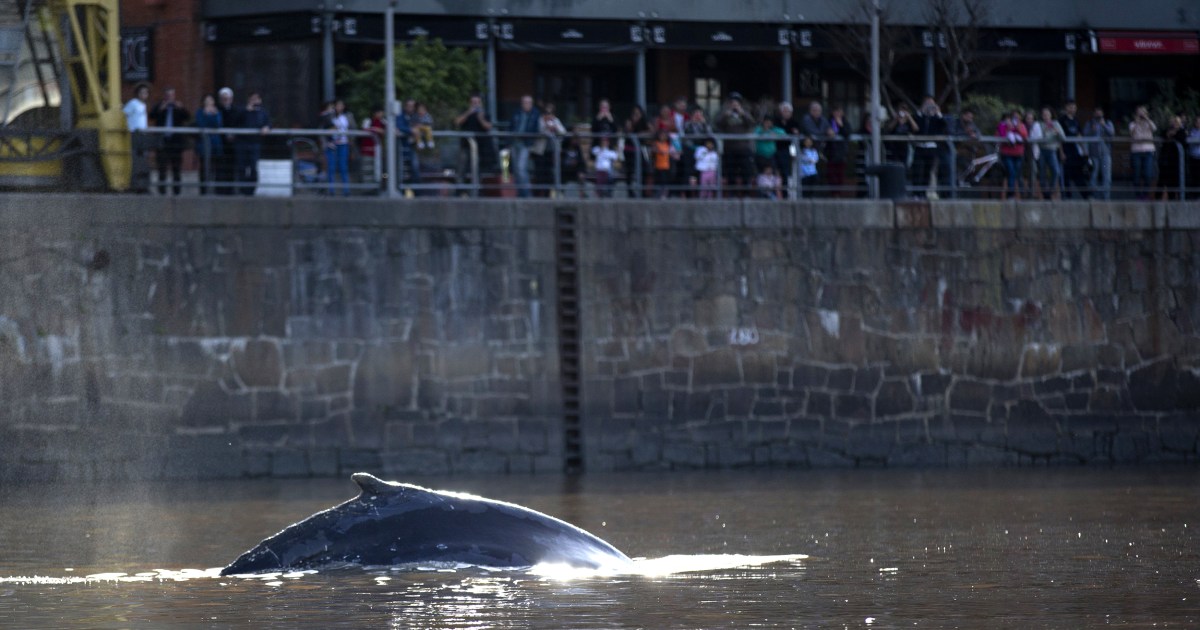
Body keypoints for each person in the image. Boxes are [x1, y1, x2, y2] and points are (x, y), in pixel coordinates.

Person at [149, 87, 191, 195]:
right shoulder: (160, 106)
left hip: (176, 142)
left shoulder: (178, 107)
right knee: (162, 168)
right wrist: (161, 108)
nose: (169, 98)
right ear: (164, 96)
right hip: (163, 142)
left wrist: (181, 108)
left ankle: (177, 191)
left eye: (171, 95)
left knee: (176, 168)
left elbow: (188, 117)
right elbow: (151, 116)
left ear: (174, 96)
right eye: (167, 95)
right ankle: (162, 190)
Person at [715, 92, 756, 195]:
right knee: (730, 171)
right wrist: (725, 116)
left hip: (743, 147)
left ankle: (746, 192)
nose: (734, 104)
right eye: (732, 102)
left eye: (736, 102)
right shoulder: (724, 112)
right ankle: (731, 192)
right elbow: (718, 124)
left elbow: (751, 123)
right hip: (729, 148)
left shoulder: (745, 112)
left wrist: (742, 114)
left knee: (746, 170)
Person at [455, 93, 495, 188]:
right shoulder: (466, 112)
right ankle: (459, 190)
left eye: (477, 102)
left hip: (480, 147)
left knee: (478, 170)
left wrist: (480, 118)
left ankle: (477, 189)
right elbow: (457, 122)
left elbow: (488, 126)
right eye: (473, 102)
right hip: (466, 146)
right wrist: (469, 112)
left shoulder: (485, 114)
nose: (475, 104)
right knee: (462, 168)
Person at [235, 91, 270, 195]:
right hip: (242, 143)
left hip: (255, 143)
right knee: (242, 167)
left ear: (260, 100)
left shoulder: (263, 112)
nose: (254, 101)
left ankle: (251, 190)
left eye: (256, 99)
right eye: (252, 99)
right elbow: (236, 122)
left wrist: (267, 127)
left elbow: (268, 122)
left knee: (253, 168)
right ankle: (242, 189)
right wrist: (246, 111)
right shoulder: (242, 111)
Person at [913, 96, 948, 197]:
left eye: (931, 104)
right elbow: (916, 127)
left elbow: (944, 126)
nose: (929, 106)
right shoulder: (920, 117)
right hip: (919, 147)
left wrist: (938, 113)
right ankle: (916, 193)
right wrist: (921, 111)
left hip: (931, 147)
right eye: (927, 104)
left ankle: (923, 193)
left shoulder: (935, 118)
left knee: (927, 171)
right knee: (917, 170)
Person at [1030, 106, 1064, 200]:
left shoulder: (1055, 123)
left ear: (1051, 115)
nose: (1045, 116)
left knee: (1056, 171)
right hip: (1042, 150)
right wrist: (1043, 133)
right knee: (1042, 173)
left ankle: (1052, 190)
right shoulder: (1039, 124)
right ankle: (1045, 193)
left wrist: (1057, 133)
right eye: (1044, 115)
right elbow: (1036, 137)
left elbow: (1063, 138)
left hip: (1052, 150)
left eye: (1047, 114)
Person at [509, 95, 540, 198]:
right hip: (514, 143)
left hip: (525, 144)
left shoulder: (535, 114)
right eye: (524, 102)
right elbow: (511, 126)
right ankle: (520, 192)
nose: (526, 105)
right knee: (516, 169)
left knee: (521, 168)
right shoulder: (516, 112)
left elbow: (535, 129)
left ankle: (526, 193)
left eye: (528, 103)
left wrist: (530, 141)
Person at [533, 102, 566, 196]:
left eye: (550, 113)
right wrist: (546, 126)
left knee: (550, 173)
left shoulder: (556, 120)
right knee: (539, 173)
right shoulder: (540, 120)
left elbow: (563, 132)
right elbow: (539, 131)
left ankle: (548, 193)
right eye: (547, 113)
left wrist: (555, 127)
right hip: (540, 151)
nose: (549, 115)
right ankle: (538, 193)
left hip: (552, 152)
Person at [322, 99, 352, 196]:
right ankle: (331, 190)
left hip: (343, 143)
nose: (339, 107)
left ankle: (346, 190)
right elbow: (323, 128)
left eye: (341, 105)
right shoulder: (329, 116)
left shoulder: (348, 116)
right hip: (332, 144)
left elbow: (352, 128)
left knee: (343, 167)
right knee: (331, 167)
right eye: (337, 105)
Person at [193, 94, 222, 195]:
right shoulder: (200, 112)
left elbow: (217, 125)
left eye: (211, 100)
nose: (209, 102)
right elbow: (201, 124)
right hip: (203, 144)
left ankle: (214, 190)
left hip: (215, 144)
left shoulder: (216, 112)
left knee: (214, 168)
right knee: (204, 168)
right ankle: (203, 191)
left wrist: (214, 115)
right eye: (207, 100)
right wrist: (206, 114)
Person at [123, 82, 150, 192]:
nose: (144, 95)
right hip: (135, 133)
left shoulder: (144, 105)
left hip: (143, 134)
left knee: (142, 159)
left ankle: (141, 184)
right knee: (135, 158)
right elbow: (124, 113)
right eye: (142, 92)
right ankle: (133, 184)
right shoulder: (133, 103)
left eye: (146, 93)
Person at [1084, 107, 1116, 200]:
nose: (1098, 115)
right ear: (1094, 114)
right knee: (1094, 175)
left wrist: (1104, 125)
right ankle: (1095, 196)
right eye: (1096, 113)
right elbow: (1085, 134)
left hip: (1105, 154)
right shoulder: (1089, 123)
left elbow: (1112, 133)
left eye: (1100, 113)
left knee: (1106, 176)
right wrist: (1092, 130)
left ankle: (1106, 197)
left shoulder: (1108, 122)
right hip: (1093, 155)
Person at [1059, 101, 1088, 198]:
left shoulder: (1076, 120)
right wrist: (1061, 152)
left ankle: (1086, 195)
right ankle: (1067, 196)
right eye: (1070, 107)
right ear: (1066, 108)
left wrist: (1084, 149)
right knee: (1066, 174)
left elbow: (1079, 135)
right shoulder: (1062, 120)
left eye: (1074, 107)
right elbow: (1059, 138)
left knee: (1078, 173)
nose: (1072, 109)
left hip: (1075, 150)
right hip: (1066, 150)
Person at [997, 110, 1028, 201]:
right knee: (1011, 172)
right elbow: (999, 135)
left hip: (1018, 154)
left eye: (1018, 117)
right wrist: (1008, 129)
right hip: (1007, 153)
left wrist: (1017, 128)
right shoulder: (1003, 125)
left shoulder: (1022, 125)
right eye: (1014, 117)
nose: (1016, 119)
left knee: (1016, 174)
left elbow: (1025, 136)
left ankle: (1018, 194)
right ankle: (1010, 194)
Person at [215, 87, 240, 195]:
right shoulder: (217, 110)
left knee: (231, 167)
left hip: (232, 143)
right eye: (223, 99)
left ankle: (231, 189)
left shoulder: (236, 110)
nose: (225, 101)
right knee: (219, 167)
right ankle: (220, 189)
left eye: (227, 98)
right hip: (220, 142)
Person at [1129, 105, 1157, 200]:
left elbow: (1154, 128)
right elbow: (1131, 132)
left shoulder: (1149, 123)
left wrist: (1147, 119)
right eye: (1139, 112)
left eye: (1143, 112)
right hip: (1136, 151)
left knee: (1148, 174)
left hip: (1148, 151)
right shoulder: (1133, 123)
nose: (1141, 114)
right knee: (1136, 175)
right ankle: (1138, 195)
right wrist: (1137, 122)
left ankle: (1145, 194)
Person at [622, 105, 650, 197]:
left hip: (640, 151)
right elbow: (628, 131)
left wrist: (641, 134)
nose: (636, 115)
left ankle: (643, 191)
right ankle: (630, 192)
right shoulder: (629, 122)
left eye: (638, 113)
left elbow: (651, 131)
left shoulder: (644, 123)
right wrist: (632, 123)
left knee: (645, 170)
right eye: (634, 113)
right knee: (629, 171)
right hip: (629, 150)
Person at [825, 105, 852, 197]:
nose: (837, 114)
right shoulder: (828, 122)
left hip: (841, 153)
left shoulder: (845, 122)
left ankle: (839, 193)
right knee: (831, 174)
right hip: (831, 152)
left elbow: (847, 133)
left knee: (840, 174)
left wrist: (841, 125)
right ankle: (833, 193)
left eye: (839, 112)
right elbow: (823, 131)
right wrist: (827, 132)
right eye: (835, 112)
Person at [1159, 114, 1186, 200]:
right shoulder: (1166, 130)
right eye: (1173, 122)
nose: (1174, 123)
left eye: (1176, 122)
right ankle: (1160, 198)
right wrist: (1169, 134)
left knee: (1176, 180)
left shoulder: (1181, 131)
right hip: (1165, 160)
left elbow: (1181, 138)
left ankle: (1177, 197)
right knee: (1163, 180)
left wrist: (1173, 134)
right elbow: (1163, 135)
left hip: (1177, 160)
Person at [396, 99, 421, 189]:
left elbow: (422, 126)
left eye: (412, 106)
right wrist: (411, 130)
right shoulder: (400, 115)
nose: (410, 108)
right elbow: (398, 126)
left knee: (415, 168)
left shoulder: (416, 115)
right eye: (408, 105)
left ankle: (416, 192)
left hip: (412, 147)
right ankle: (400, 190)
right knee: (400, 170)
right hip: (400, 147)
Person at [359, 106, 385, 185]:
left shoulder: (383, 122)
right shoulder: (368, 120)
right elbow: (364, 129)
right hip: (367, 150)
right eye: (379, 112)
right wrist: (376, 129)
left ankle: (378, 186)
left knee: (378, 169)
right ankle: (367, 186)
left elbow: (389, 130)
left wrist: (382, 131)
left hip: (377, 150)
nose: (381, 114)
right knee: (367, 169)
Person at [650, 128, 677, 198]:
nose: (663, 137)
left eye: (664, 135)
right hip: (658, 166)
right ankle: (657, 194)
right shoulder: (656, 143)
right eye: (661, 135)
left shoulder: (667, 144)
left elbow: (672, 152)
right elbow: (654, 150)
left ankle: (664, 194)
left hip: (666, 166)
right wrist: (660, 151)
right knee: (658, 181)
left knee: (665, 181)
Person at [1188, 115, 1200, 200]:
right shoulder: (1192, 131)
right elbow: (1189, 140)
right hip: (1194, 157)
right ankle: (1195, 195)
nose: (1198, 123)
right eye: (1197, 122)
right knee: (1194, 177)